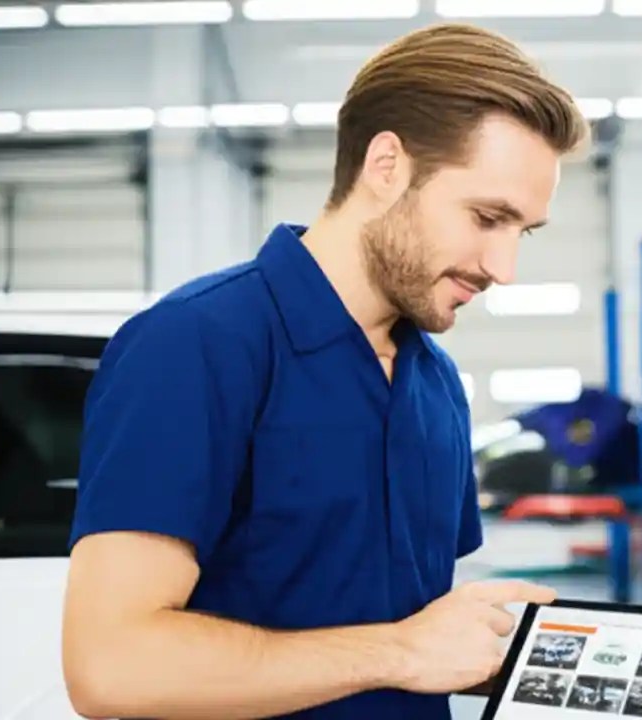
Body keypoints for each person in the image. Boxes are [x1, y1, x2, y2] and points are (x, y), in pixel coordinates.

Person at [61, 23, 589, 720]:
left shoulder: (436, 389)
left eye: (522, 231)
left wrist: (483, 653)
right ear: (386, 166)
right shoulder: (196, 345)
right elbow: (112, 667)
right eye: (487, 217)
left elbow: (409, 637)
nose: (504, 268)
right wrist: (400, 651)